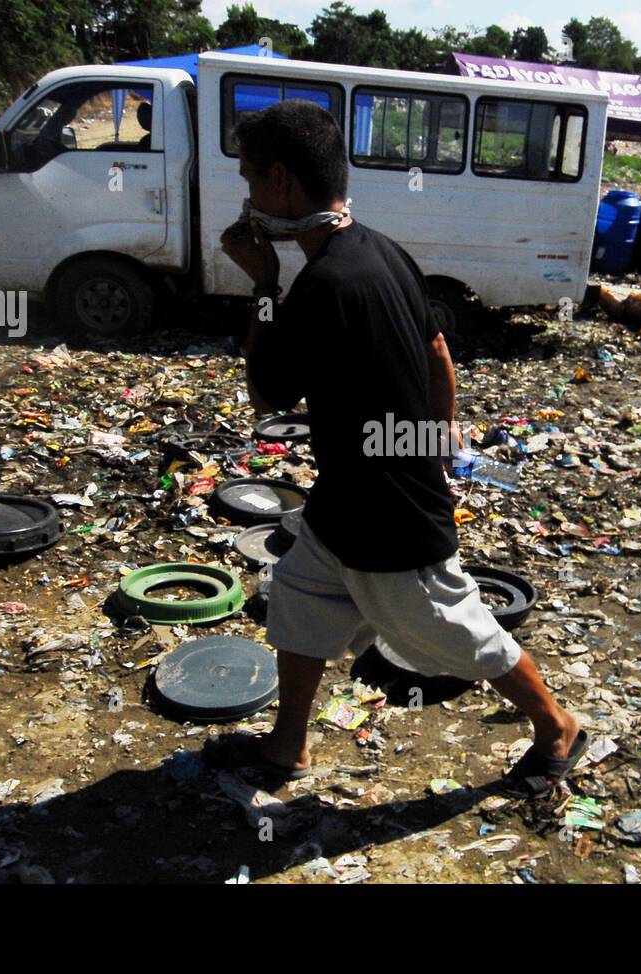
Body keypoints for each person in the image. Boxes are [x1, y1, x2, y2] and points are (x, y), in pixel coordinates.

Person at [210, 100, 586, 798]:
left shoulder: (322, 285)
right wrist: (437, 444)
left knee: (452, 631)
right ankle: (287, 747)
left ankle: (556, 725)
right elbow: (439, 351)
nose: (247, 192)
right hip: (350, 496)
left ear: (282, 183)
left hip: (387, 510)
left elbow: (266, 398)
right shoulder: (380, 248)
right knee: (299, 597)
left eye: (249, 177)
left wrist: (262, 284)